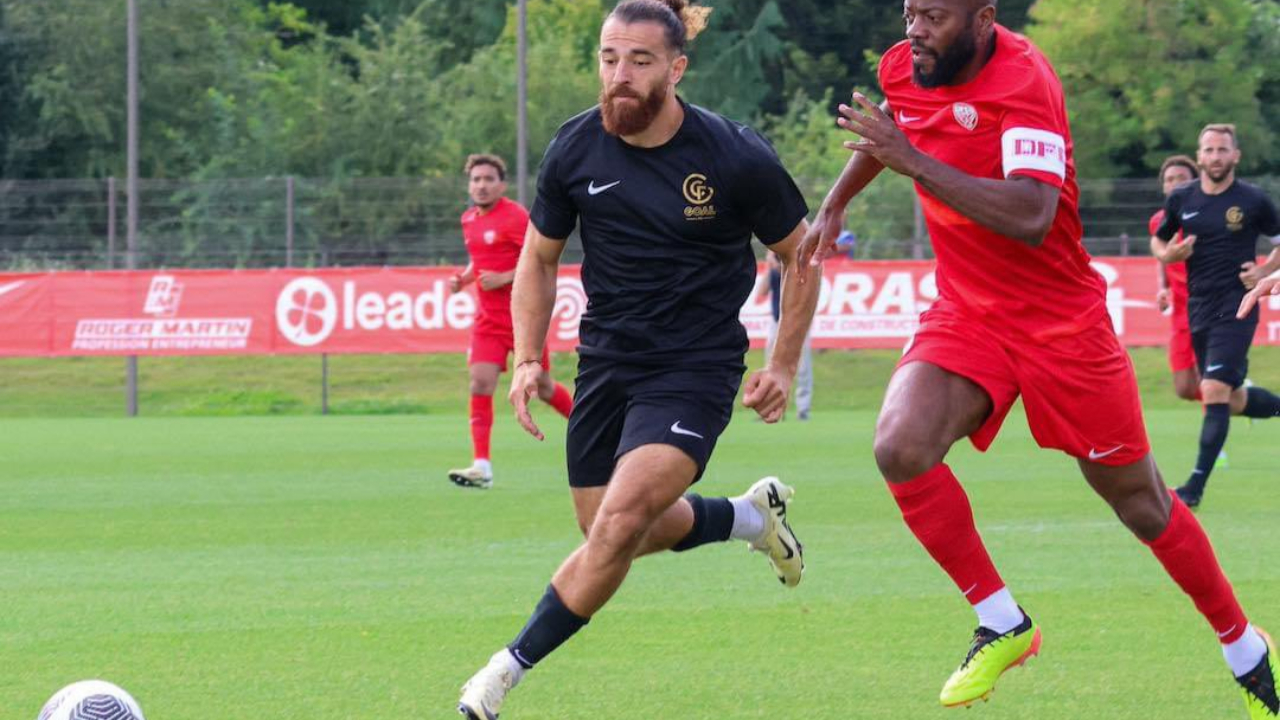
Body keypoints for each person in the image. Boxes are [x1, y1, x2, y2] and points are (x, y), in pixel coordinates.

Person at [797, 1, 1277, 716]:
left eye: (933, 16)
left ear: (983, 17)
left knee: (1141, 504)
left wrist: (911, 161)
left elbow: (1030, 216)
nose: (914, 30)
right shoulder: (907, 67)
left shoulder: (1024, 81)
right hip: (968, 311)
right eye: (908, 12)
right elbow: (892, 135)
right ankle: (1002, 622)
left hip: (1062, 327)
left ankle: (1244, 648)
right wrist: (836, 204)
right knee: (900, 445)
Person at [456, 2, 821, 718]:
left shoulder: (733, 156)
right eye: (609, 59)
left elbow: (798, 257)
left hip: (694, 368)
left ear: (677, 69)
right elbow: (539, 255)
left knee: (621, 522)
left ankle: (503, 673)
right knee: (613, 533)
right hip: (607, 365)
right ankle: (751, 520)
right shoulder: (576, 148)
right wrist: (529, 356)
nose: (620, 77)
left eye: (640, 62)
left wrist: (781, 364)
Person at [1153, 124, 1280, 509]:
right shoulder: (1182, 199)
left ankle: (1193, 487)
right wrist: (1166, 255)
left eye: (1223, 150)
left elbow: (1279, 244)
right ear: (1200, 155)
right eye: (1209, 150)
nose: (1216, 157)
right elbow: (1160, 238)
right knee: (1232, 397)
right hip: (1199, 307)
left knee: (1213, 390)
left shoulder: (1253, 200)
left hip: (1238, 305)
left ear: (1235, 156)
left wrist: (1264, 271)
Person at [447, 153, 574, 489]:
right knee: (480, 383)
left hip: (523, 320)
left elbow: (538, 260)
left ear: (502, 185)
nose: (482, 185)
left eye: (489, 179)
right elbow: (479, 262)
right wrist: (463, 280)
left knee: (543, 388)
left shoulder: (516, 217)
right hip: (487, 320)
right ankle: (482, 466)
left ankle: (599, 435)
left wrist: (504, 278)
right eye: (476, 179)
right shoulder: (469, 220)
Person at [1149, 155, 1202, 402]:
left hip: (1208, 306)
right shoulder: (1158, 222)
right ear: (1164, 186)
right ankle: (1238, 392)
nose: (1175, 183)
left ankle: (1213, 438)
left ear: (1195, 181)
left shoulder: (1207, 216)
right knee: (1184, 388)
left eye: (1182, 178)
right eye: (1170, 179)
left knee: (1208, 379)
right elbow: (1162, 257)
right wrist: (1163, 288)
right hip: (1180, 312)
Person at [754, 250, 814, 420]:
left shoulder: (797, 266)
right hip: (776, 321)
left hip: (799, 322)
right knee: (770, 366)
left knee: (802, 367)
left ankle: (803, 409)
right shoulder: (773, 269)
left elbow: (788, 273)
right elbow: (761, 291)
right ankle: (772, 409)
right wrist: (769, 266)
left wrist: (775, 263)